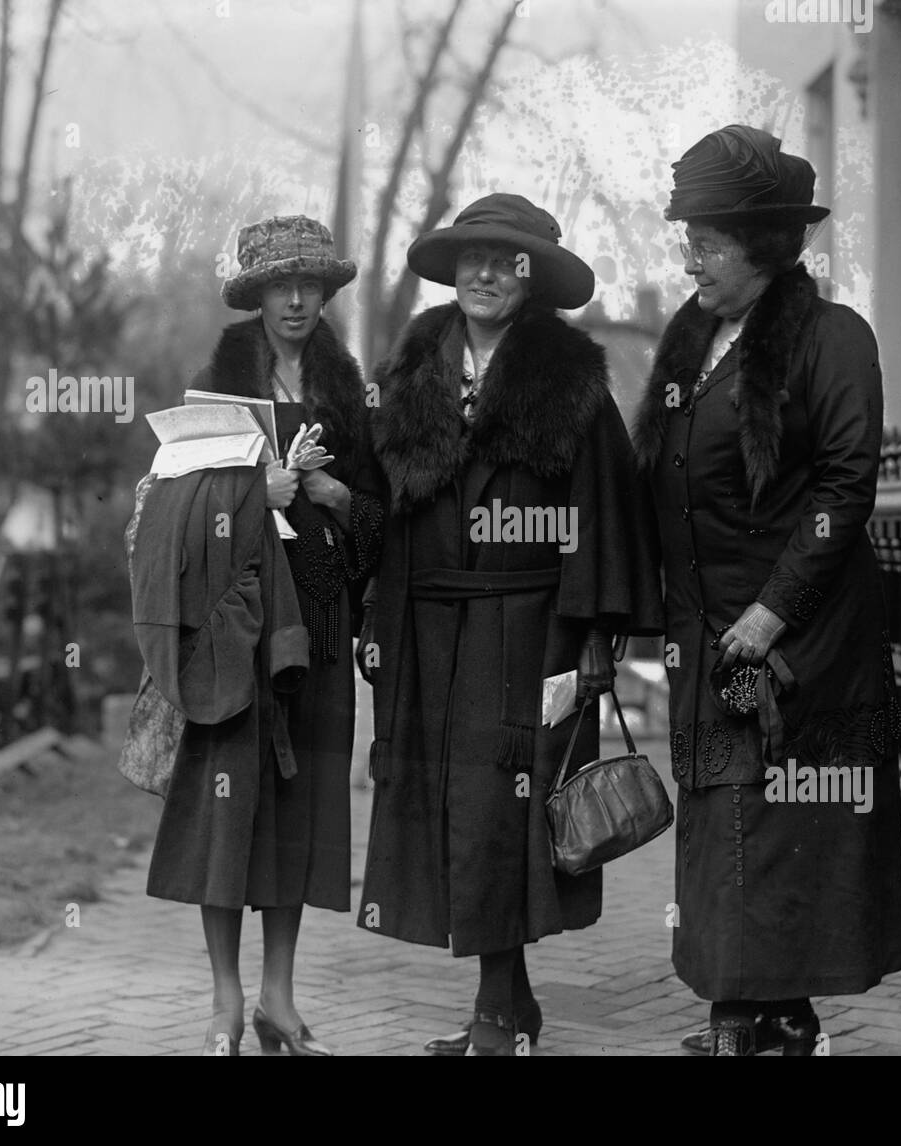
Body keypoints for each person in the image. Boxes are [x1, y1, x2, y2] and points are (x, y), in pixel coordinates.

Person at [358, 193, 663, 1056]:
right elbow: (387, 513)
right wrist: (377, 615)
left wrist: (597, 639)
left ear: (532, 281)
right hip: (427, 626)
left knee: (506, 812)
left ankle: (499, 1017)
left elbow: (603, 515)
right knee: (454, 812)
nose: (486, 273)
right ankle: (514, 1002)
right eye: (471, 259)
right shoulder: (409, 376)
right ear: (452, 273)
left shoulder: (570, 385)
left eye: (506, 261)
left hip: (530, 627)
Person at [631, 126, 901, 1056]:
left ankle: (778, 1025)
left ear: (765, 248)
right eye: (690, 239)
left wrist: (772, 609)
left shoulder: (832, 338)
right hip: (710, 627)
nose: (691, 258)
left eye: (708, 243)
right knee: (726, 824)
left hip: (800, 636)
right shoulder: (696, 344)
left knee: (789, 822)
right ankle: (741, 1019)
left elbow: (844, 485)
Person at [141, 215, 383, 1055]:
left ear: (325, 293)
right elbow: (170, 518)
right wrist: (259, 494)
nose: (296, 298)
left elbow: (383, 522)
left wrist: (335, 497)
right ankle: (225, 1000)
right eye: (281, 284)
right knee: (225, 808)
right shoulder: (210, 393)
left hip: (316, 627)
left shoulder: (350, 393)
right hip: (234, 631)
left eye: (310, 284)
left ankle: (280, 998)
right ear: (257, 296)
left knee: (302, 808)